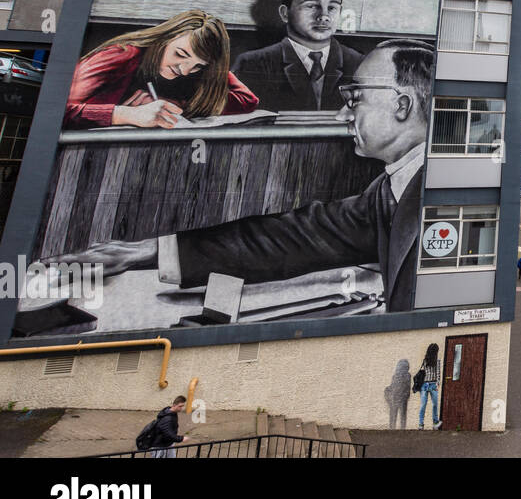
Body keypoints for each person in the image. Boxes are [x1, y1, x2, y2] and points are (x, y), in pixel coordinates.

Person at [55, 41, 434, 313]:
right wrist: (149, 250)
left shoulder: (439, 192)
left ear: (402, 105)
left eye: (355, 99)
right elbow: (290, 237)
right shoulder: (389, 189)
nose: (342, 115)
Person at [64, 10, 258, 129]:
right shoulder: (122, 54)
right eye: (180, 54)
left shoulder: (194, 70)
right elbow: (59, 109)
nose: (184, 70)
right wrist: (127, 114)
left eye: (198, 66)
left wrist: (171, 105)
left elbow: (247, 100)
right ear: (164, 39)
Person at [231, 0, 363, 112]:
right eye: (311, 6)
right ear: (285, 13)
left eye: (332, 8)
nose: (324, 16)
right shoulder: (253, 64)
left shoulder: (359, 63)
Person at [416, 344, 442, 430]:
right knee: (434, 404)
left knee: (424, 405)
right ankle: (435, 423)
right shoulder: (435, 361)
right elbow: (438, 374)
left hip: (425, 384)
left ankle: (421, 424)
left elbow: (424, 373)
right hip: (432, 384)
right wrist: (438, 384)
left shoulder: (426, 360)